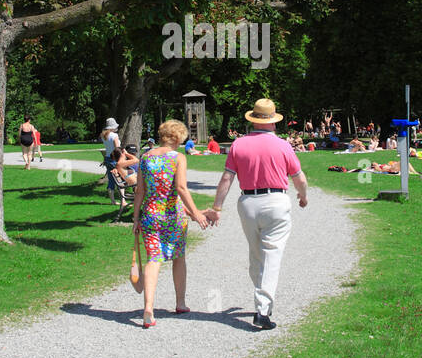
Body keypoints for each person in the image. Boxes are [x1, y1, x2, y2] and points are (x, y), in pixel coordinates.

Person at [203, 98, 308, 331]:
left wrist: (217, 208)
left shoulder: (238, 144)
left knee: (256, 253)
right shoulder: (283, 145)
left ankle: (262, 298)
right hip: (277, 201)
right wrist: (303, 196)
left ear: (253, 120)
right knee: (272, 254)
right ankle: (262, 309)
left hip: (248, 201)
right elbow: (299, 177)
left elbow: (227, 178)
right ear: (273, 121)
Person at [131, 120, 207, 328]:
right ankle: (180, 303)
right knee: (178, 257)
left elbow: (140, 191)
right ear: (176, 137)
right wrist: (197, 213)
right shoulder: (178, 158)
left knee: (153, 259)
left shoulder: (145, 157)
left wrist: (136, 218)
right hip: (173, 216)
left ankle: (148, 307)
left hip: (149, 215)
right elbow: (181, 188)